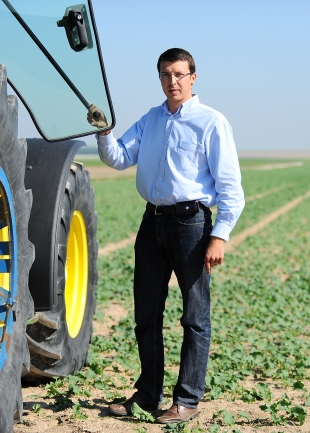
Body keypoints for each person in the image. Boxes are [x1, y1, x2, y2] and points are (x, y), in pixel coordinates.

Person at [88, 48, 244, 424]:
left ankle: (187, 400)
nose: (171, 82)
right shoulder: (151, 119)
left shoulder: (211, 122)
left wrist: (219, 235)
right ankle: (147, 395)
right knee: (146, 314)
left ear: (193, 77)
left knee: (194, 317)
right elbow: (119, 158)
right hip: (152, 222)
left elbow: (231, 189)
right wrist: (104, 130)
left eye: (178, 74)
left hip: (192, 226)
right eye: (164, 75)